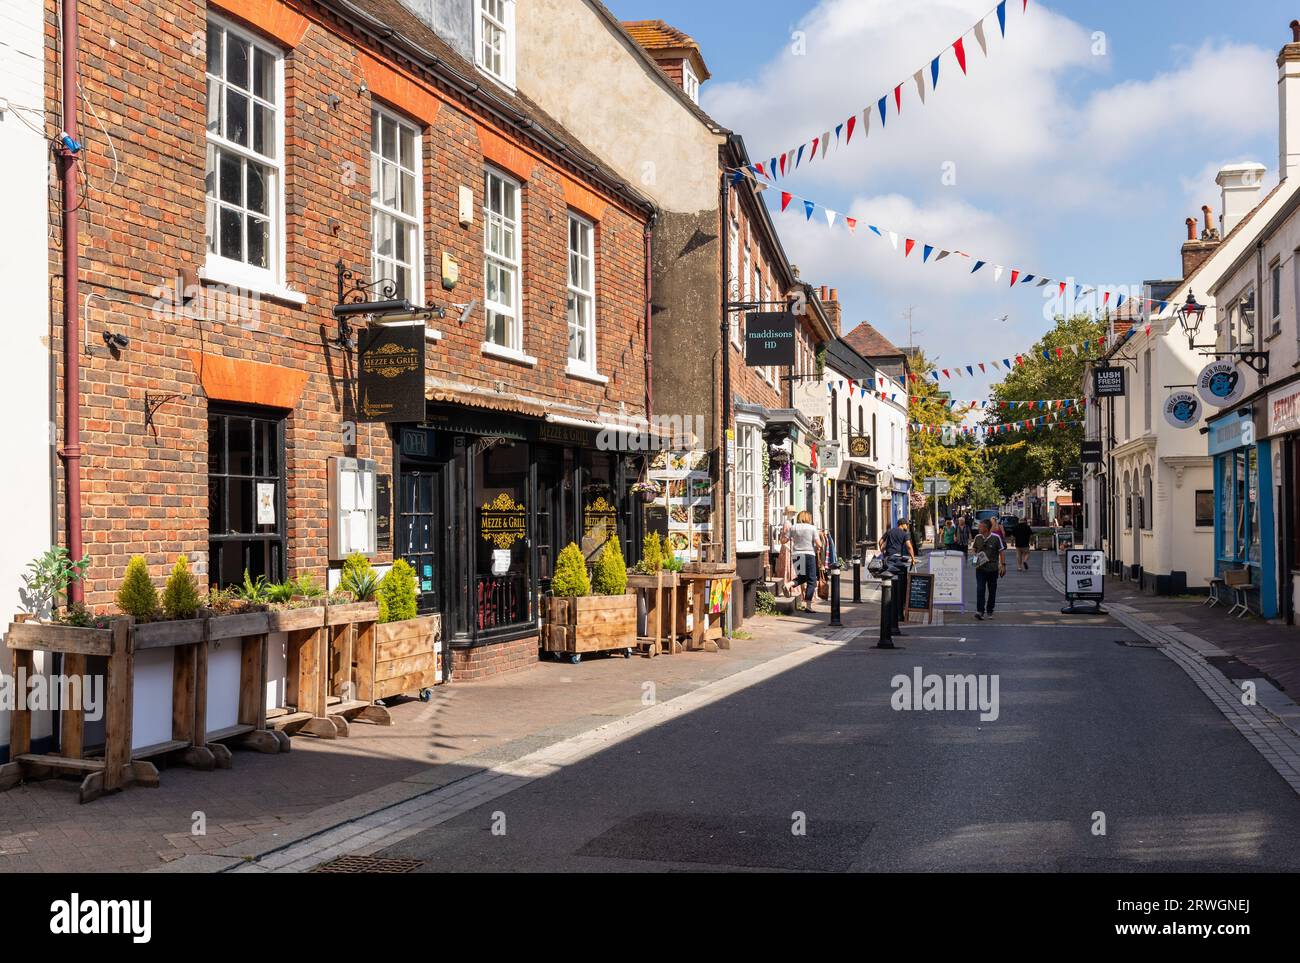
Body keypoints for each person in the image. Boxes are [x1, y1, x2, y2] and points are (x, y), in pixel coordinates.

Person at [971, 519, 1007, 620]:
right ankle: (980, 611)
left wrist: (1003, 565)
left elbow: (1001, 551)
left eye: (981, 526)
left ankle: (990, 610)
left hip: (992, 569)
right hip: (980, 569)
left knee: (992, 591)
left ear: (986, 528)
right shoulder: (977, 537)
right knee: (980, 589)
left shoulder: (996, 538)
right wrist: (974, 556)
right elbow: (974, 549)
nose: (979, 528)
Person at [789, 510, 823, 612]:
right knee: (811, 580)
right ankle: (808, 606)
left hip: (796, 554)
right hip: (809, 555)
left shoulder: (793, 527)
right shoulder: (812, 528)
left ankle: (788, 584)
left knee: (802, 577)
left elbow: (784, 540)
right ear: (808, 518)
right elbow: (819, 544)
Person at [773, 506, 797, 597]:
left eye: (794, 513)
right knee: (788, 566)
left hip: (788, 547)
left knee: (788, 566)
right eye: (792, 512)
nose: (794, 514)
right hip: (787, 547)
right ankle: (788, 585)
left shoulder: (788, 523)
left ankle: (788, 584)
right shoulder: (787, 523)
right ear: (788, 513)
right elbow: (785, 538)